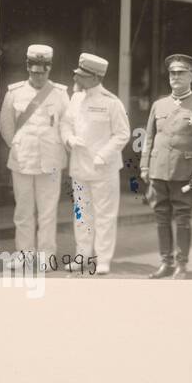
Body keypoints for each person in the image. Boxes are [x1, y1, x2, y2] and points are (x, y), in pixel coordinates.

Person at [140, 53, 192, 279]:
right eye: (172, 73)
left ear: (191, 76)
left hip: (186, 171)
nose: (175, 77)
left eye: (181, 73)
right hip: (158, 169)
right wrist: (145, 166)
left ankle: (182, 263)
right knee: (161, 216)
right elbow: (149, 138)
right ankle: (166, 263)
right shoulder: (159, 105)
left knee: (182, 217)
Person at [0, 44, 70, 269]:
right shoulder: (15, 93)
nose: (39, 76)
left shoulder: (59, 94)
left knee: (47, 212)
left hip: (51, 161)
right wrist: (17, 145)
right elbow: (6, 125)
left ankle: (47, 256)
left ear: (49, 69)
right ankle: (24, 255)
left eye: (43, 71)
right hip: (22, 160)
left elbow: (67, 125)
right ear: (28, 68)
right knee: (23, 210)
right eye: (34, 71)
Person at [62, 52, 130, 276]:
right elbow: (66, 124)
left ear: (94, 78)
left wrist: (103, 155)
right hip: (80, 167)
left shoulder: (112, 102)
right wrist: (69, 139)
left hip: (104, 168)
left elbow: (122, 134)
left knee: (104, 215)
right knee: (81, 214)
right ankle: (82, 257)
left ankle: (103, 259)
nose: (76, 79)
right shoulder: (75, 99)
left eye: (80, 76)